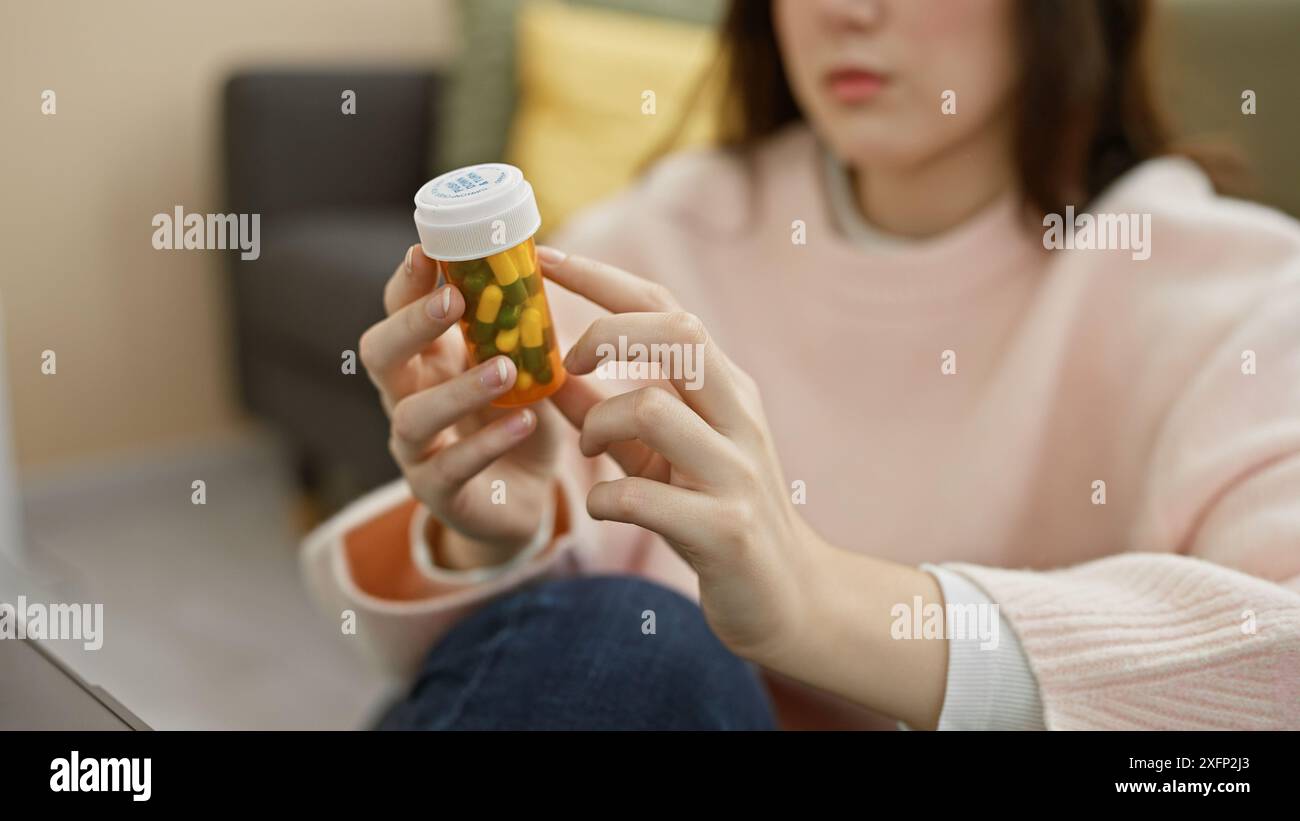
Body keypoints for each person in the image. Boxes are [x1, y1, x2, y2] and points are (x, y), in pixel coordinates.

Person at [302, 0, 1300, 730]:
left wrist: (816, 599)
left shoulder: (1235, 290)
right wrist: (496, 544)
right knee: (606, 638)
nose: (841, 12)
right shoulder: (662, 229)